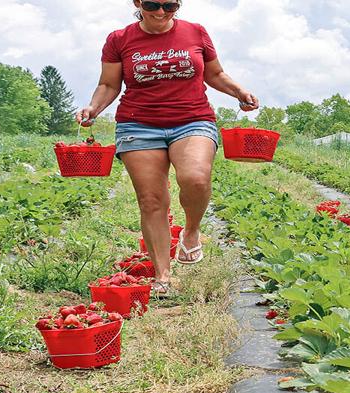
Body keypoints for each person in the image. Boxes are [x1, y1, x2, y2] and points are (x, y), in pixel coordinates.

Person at [77, 0, 259, 293]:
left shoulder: (196, 32)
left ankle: (191, 232)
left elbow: (213, 74)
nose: (161, 12)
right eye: (152, 4)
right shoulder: (119, 39)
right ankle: (162, 276)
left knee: (195, 178)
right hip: (138, 124)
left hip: (193, 119)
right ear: (138, 3)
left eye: (170, 5)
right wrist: (93, 108)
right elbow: (110, 85)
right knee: (151, 200)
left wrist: (239, 91)